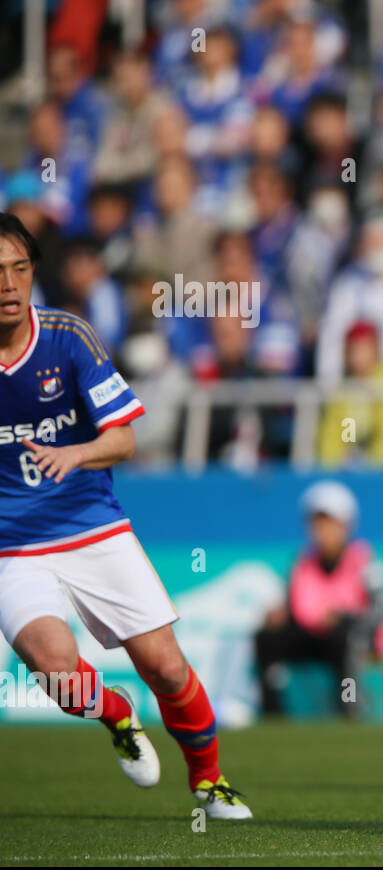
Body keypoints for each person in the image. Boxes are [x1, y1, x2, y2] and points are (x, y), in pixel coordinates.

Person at [0, 213, 251, 819]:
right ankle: (116, 714)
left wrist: (76, 453)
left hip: (91, 524)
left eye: (19, 268)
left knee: (166, 666)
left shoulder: (68, 337)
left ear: (33, 273)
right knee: (57, 673)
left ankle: (209, 781)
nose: (8, 284)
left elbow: (124, 439)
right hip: (11, 545)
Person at [254, 481, 383, 717]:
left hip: (352, 636)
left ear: (346, 525)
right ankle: (272, 713)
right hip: (311, 637)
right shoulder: (302, 561)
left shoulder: (365, 561)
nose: (322, 531)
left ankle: (348, 708)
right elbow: (294, 606)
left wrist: (345, 617)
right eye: (317, 523)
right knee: (267, 637)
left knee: (345, 639)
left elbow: (381, 609)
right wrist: (280, 615)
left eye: (330, 523)